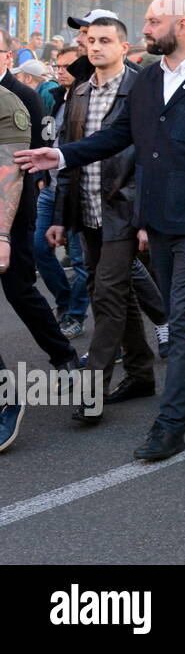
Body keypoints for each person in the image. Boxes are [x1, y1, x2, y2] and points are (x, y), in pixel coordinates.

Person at [18, 0, 185, 461]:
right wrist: (61, 155)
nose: (146, 27)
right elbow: (117, 136)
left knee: (182, 323)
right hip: (158, 223)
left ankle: (171, 425)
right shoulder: (149, 80)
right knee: (179, 315)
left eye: (153, 20)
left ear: (182, 24)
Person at [48, 15, 164, 423]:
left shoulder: (142, 88)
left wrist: (147, 217)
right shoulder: (78, 91)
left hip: (125, 210)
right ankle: (140, 372)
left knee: (108, 293)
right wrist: (61, 217)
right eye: (90, 41)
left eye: (104, 41)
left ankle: (92, 390)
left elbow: (152, 157)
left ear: (123, 47)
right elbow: (69, 157)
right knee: (113, 290)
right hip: (89, 209)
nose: (95, 47)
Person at [1, 28, 79, 372]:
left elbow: (23, 163)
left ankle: (63, 356)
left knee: (20, 290)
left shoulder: (22, 96)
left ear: (7, 56)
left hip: (14, 206)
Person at [0, 81, 45, 450]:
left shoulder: (9, 101)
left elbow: (9, 173)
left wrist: (1, 236)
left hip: (7, 221)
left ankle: (7, 399)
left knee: (21, 291)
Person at [34, 46, 91, 339]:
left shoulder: (87, 100)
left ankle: (76, 314)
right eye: (57, 67)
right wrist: (42, 177)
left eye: (67, 66)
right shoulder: (54, 98)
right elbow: (46, 139)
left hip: (78, 192)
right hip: (50, 189)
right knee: (40, 249)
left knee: (81, 260)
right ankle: (65, 300)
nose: (60, 72)